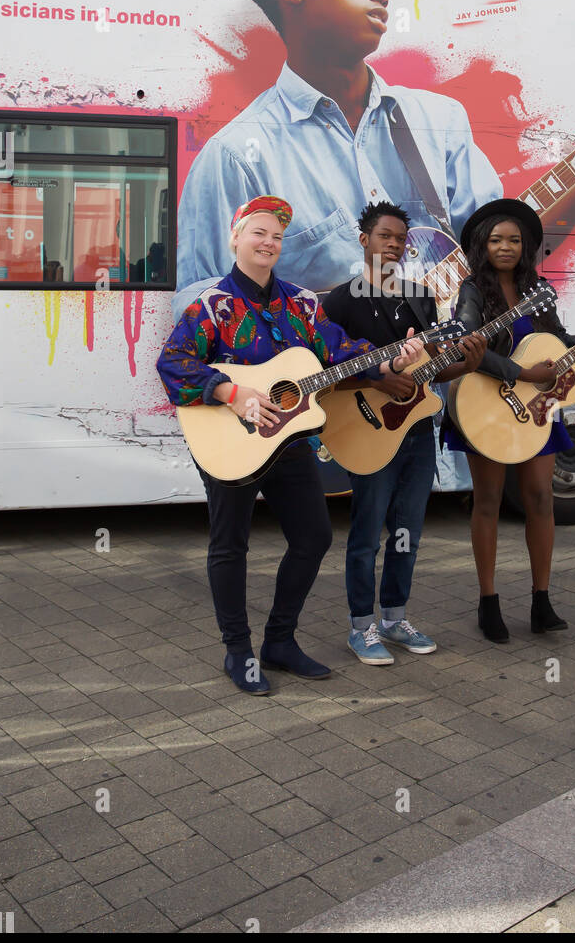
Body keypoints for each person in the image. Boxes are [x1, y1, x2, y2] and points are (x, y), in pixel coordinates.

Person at [173, 0, 575, 318]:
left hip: (437, 404)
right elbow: (199, 308)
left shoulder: (438, 120)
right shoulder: (235, 156)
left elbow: (507, 252)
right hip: (326, 414)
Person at [156, 194, 420, 696]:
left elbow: (344, 352)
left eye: (276, 237)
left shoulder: (301, 302)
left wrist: (392, 362)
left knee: (314, 537)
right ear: (236, 238)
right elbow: (174, 363)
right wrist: (231, 392)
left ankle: (279, 640)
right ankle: (238, 651)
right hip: (230, 442)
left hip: (290, 439)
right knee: (230, 544)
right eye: (258, 232)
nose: (269, 243)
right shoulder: (212, 305)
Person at [322, 201, 487, 665]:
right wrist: (376, 378)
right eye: (385, 236)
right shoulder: (339, 300)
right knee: (367, 532)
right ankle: (361, 627)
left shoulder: (421, 297)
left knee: (407, 531)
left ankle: (394, 619)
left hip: (414, 429)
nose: (394, 245)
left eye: (400, 239)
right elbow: (325, 371)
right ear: (364, 241)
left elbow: (429, 369)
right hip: (367, 429)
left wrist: (468, 362)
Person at [441, 199, 575, 643]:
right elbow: (470, 348)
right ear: (482, 245)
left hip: (534, 406)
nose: (505, 247)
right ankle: (488, 603)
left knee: (539, 499)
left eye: (514, 240)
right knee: (489, 502)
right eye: (496, 240)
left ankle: (541, 600)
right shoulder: (472, 291)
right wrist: (522, 373)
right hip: (488, 406)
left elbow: (550, 342)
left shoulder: (538, 288)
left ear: (526, 246)